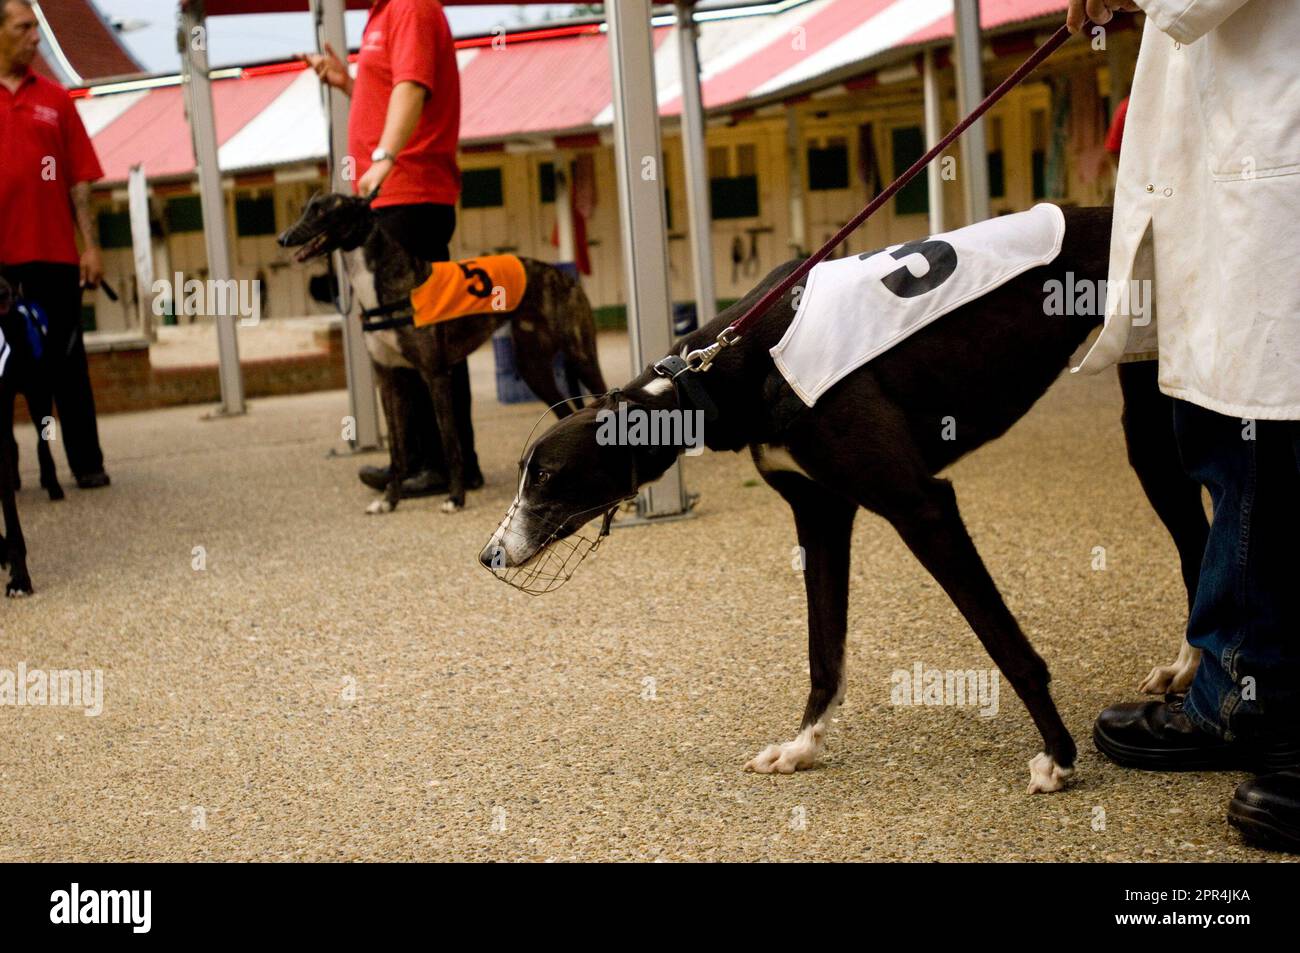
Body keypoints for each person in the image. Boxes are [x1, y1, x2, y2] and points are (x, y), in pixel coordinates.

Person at [1069, 0, 1300, 851]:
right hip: (1243, 155)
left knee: (1275, 435)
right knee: (1235, 433)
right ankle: (1242, 690)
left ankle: (1276, 713)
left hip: (1277, 152)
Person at [305, 0, 481, 496]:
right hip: (395, 191)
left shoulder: (411, 7)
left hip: (410, 191)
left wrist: (382, 158)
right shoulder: (384, 14)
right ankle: (424, 460)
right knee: (406, 337)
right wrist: (348, 83)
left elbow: (412, 88)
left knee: (423, 339)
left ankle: (445, 465)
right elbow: (392, 92)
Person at [0, 0, 110, 489]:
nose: (34, 36)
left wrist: (90, 246)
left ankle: (86, 464)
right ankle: (5, 473)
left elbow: (80, 180)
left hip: (54, 257)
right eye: (24, 27)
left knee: (68, 367)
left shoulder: (56, 100)